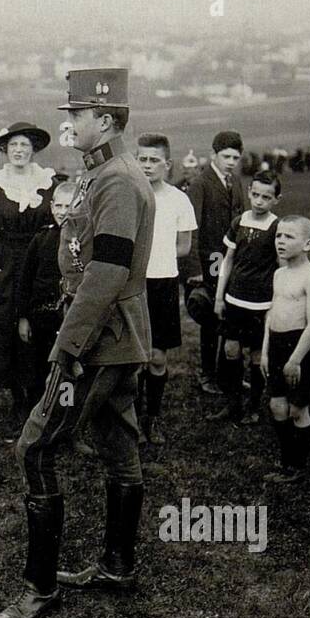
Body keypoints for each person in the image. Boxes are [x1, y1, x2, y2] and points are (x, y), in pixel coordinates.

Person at [0, 68, 154, 618]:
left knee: (33, 448)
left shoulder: (116, 181)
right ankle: (117, 565)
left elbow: (106, 271)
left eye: (76, 116)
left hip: (99, 342)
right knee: (114, 440)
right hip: (115, 338)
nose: (69, 124)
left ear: (105, 120)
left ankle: (37, 588)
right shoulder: (103, 173)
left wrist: (67, 346)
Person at [0, 121, 58, 440]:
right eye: (13, 146)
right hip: (7, 266)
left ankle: (41, 396)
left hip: (42, 263)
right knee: (9, 330)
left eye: (24, 145)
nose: (19, 150)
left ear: (33, 148)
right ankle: (18, 400)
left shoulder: (49, 182)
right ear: (4, 151)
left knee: (39, 326)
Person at [136, 133, 196, 445]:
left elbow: (184, 246)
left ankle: (152, 418)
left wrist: (157, 255)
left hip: (163, 282)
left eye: (153, 160)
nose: (147, 165)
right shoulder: (129, 195)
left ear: (167, 164)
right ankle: (131, 421)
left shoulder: (178, 199)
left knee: (157, 357)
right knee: (133, 357)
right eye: (141, 159)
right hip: (132, 285)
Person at [211, 170, 281, 425]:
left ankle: (253, 406)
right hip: (234, 299)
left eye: (266, 197)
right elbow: (227, 261)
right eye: (255, 195)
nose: (259, 201)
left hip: (261, 303)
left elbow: (281, 268)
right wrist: (220, 297)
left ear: (276, 199)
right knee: (231, 350)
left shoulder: (276, 227)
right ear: (249, 192)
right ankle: (233, 404)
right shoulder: (239, 221)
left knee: (254, 355)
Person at [259, 216, 310, 483]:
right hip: (276, 344)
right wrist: (264, 351)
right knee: (277, 405)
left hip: (301, 349)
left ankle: (296, 465)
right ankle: (287, 457)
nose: (281, 242)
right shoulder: (279, 273)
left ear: (307, 244)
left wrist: (295, 360)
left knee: (297, 409)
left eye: (289, 237)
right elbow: (271, 313)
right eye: (278, 236)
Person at [183, 130, 246, 394]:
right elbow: (191, 227)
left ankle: (228, 373)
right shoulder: (200, 183)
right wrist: (195, 269)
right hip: (209, 260)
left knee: (231, 315)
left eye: (235, 157)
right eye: (226, 156)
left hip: (232, 258)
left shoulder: (236, 181)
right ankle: (208, 375)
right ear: (213, 155)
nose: (231, 161)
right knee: (210, 317)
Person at [14, 179, 75, 410]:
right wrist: (23, 318)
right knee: (39, 368)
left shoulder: (83, 240)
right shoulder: (41, 239)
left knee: (66, 370)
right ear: (51, 207)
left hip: (70, 318)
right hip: (41, 318)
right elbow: (25, 282)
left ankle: (63, 417)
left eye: (69, 206)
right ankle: (37, 416)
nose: (62, 212)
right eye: (58, 206)